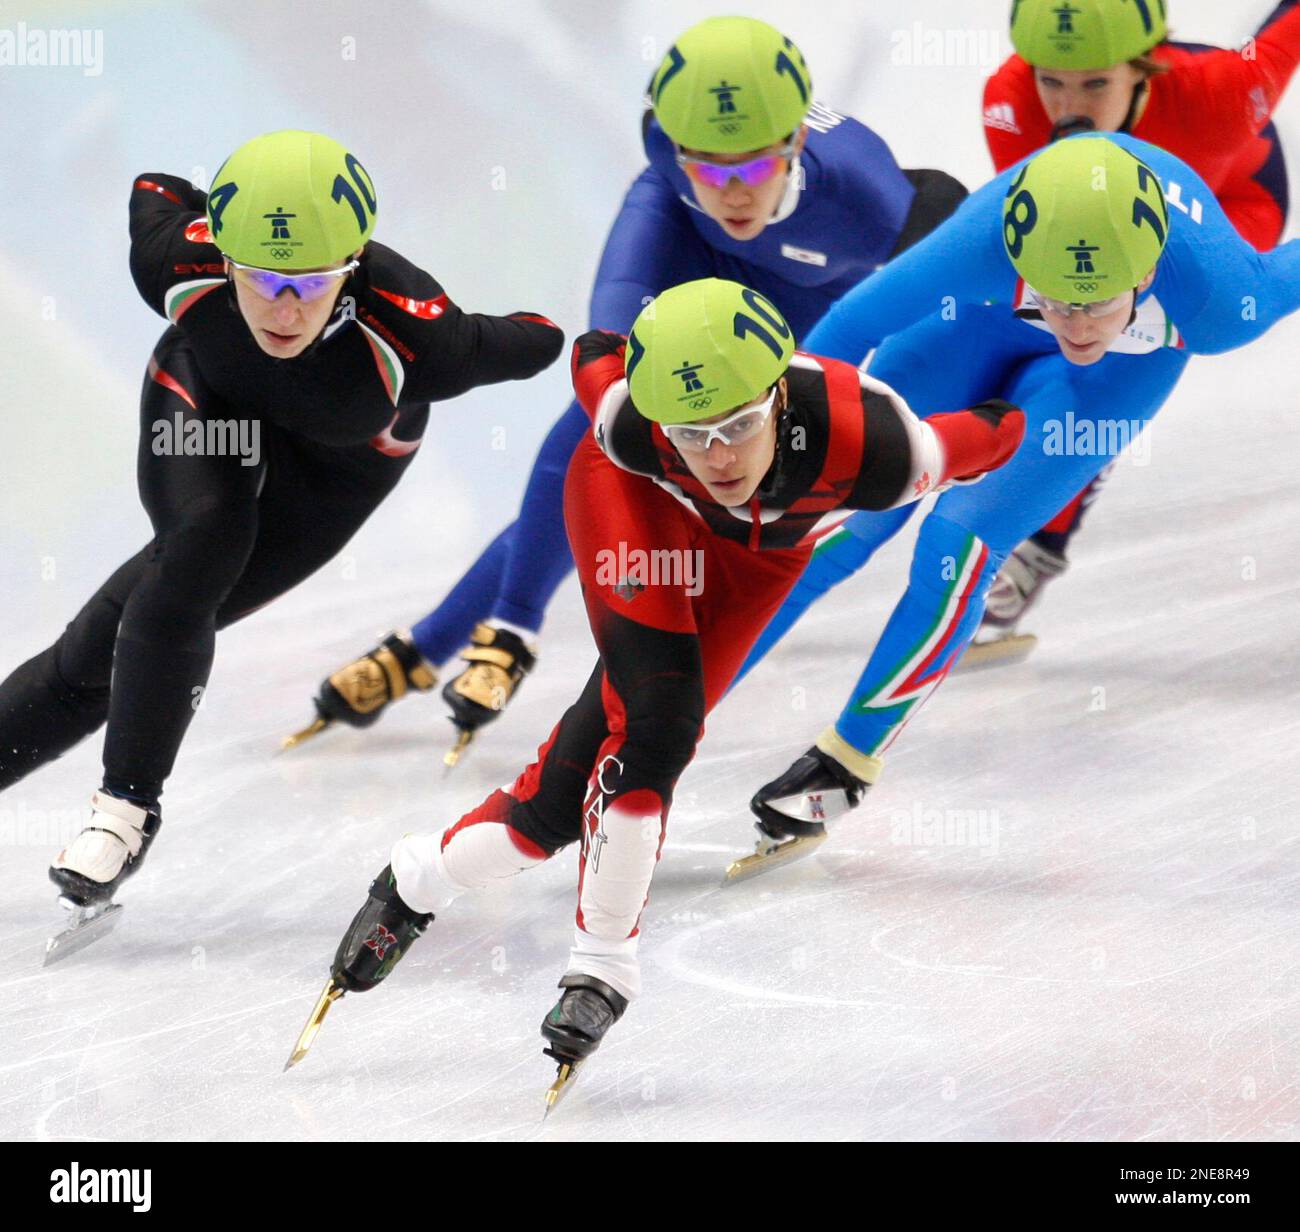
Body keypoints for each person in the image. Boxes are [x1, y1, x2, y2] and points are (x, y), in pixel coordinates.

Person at [294, 278, 1024, 1090]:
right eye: (694, 432)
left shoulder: (887, 451)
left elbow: (990, 435)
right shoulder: (630, 429)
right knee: (661, 723)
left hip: (764, 559)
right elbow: (594, 354)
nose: (718, 456)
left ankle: (419, 875)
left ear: (780, 394)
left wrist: (1025, 399)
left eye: (740, 425)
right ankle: (604, 966)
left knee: (550, 815)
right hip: (632, 504)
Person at [293, 14, 969, 761]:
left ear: (796, 144)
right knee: (610, 427)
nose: (732, 192)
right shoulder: (665, 169)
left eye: (752, 168)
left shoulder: (869, 201)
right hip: (685, 260)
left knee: (673, 479)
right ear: (674, 149)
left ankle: (435, 641)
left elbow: (962, 247)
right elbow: (607, 358)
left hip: (796, 317)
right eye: (708, 168)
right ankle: (508, 630)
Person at [0, 130, 563, 929]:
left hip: (340, 465)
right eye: (262, 279)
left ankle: (117, 803)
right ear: (223, 257)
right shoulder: (174, 261)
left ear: (356, 263)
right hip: (212, 408)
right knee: (201, 543)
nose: (286, 307)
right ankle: (124, 814)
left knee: (105, 652)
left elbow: (539, 338)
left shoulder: (421, 333)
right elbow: (154, 187)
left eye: (314, 281)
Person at [731, 133, 1300, 870]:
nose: (1076, 325)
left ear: (1151, 269)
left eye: (1097, 305)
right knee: (834, 522)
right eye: (1058, 302)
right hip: (978, 321)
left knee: (957, 544)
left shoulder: (1224, 301)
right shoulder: (985, 238)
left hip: (1107, 385)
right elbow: (851, 329)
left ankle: (842, 769)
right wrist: (778, 449)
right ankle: (667, 710)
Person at [973, 0, 1300, 640]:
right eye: (1053, 81)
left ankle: (1040, 546)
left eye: (1096, 82)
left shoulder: (1227, 93)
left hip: (1231, 206)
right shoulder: (1009, 100)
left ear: (1142, 70)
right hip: (1115, 208)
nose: (1071, 105)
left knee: (1127, 347)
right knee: (1061, 323)